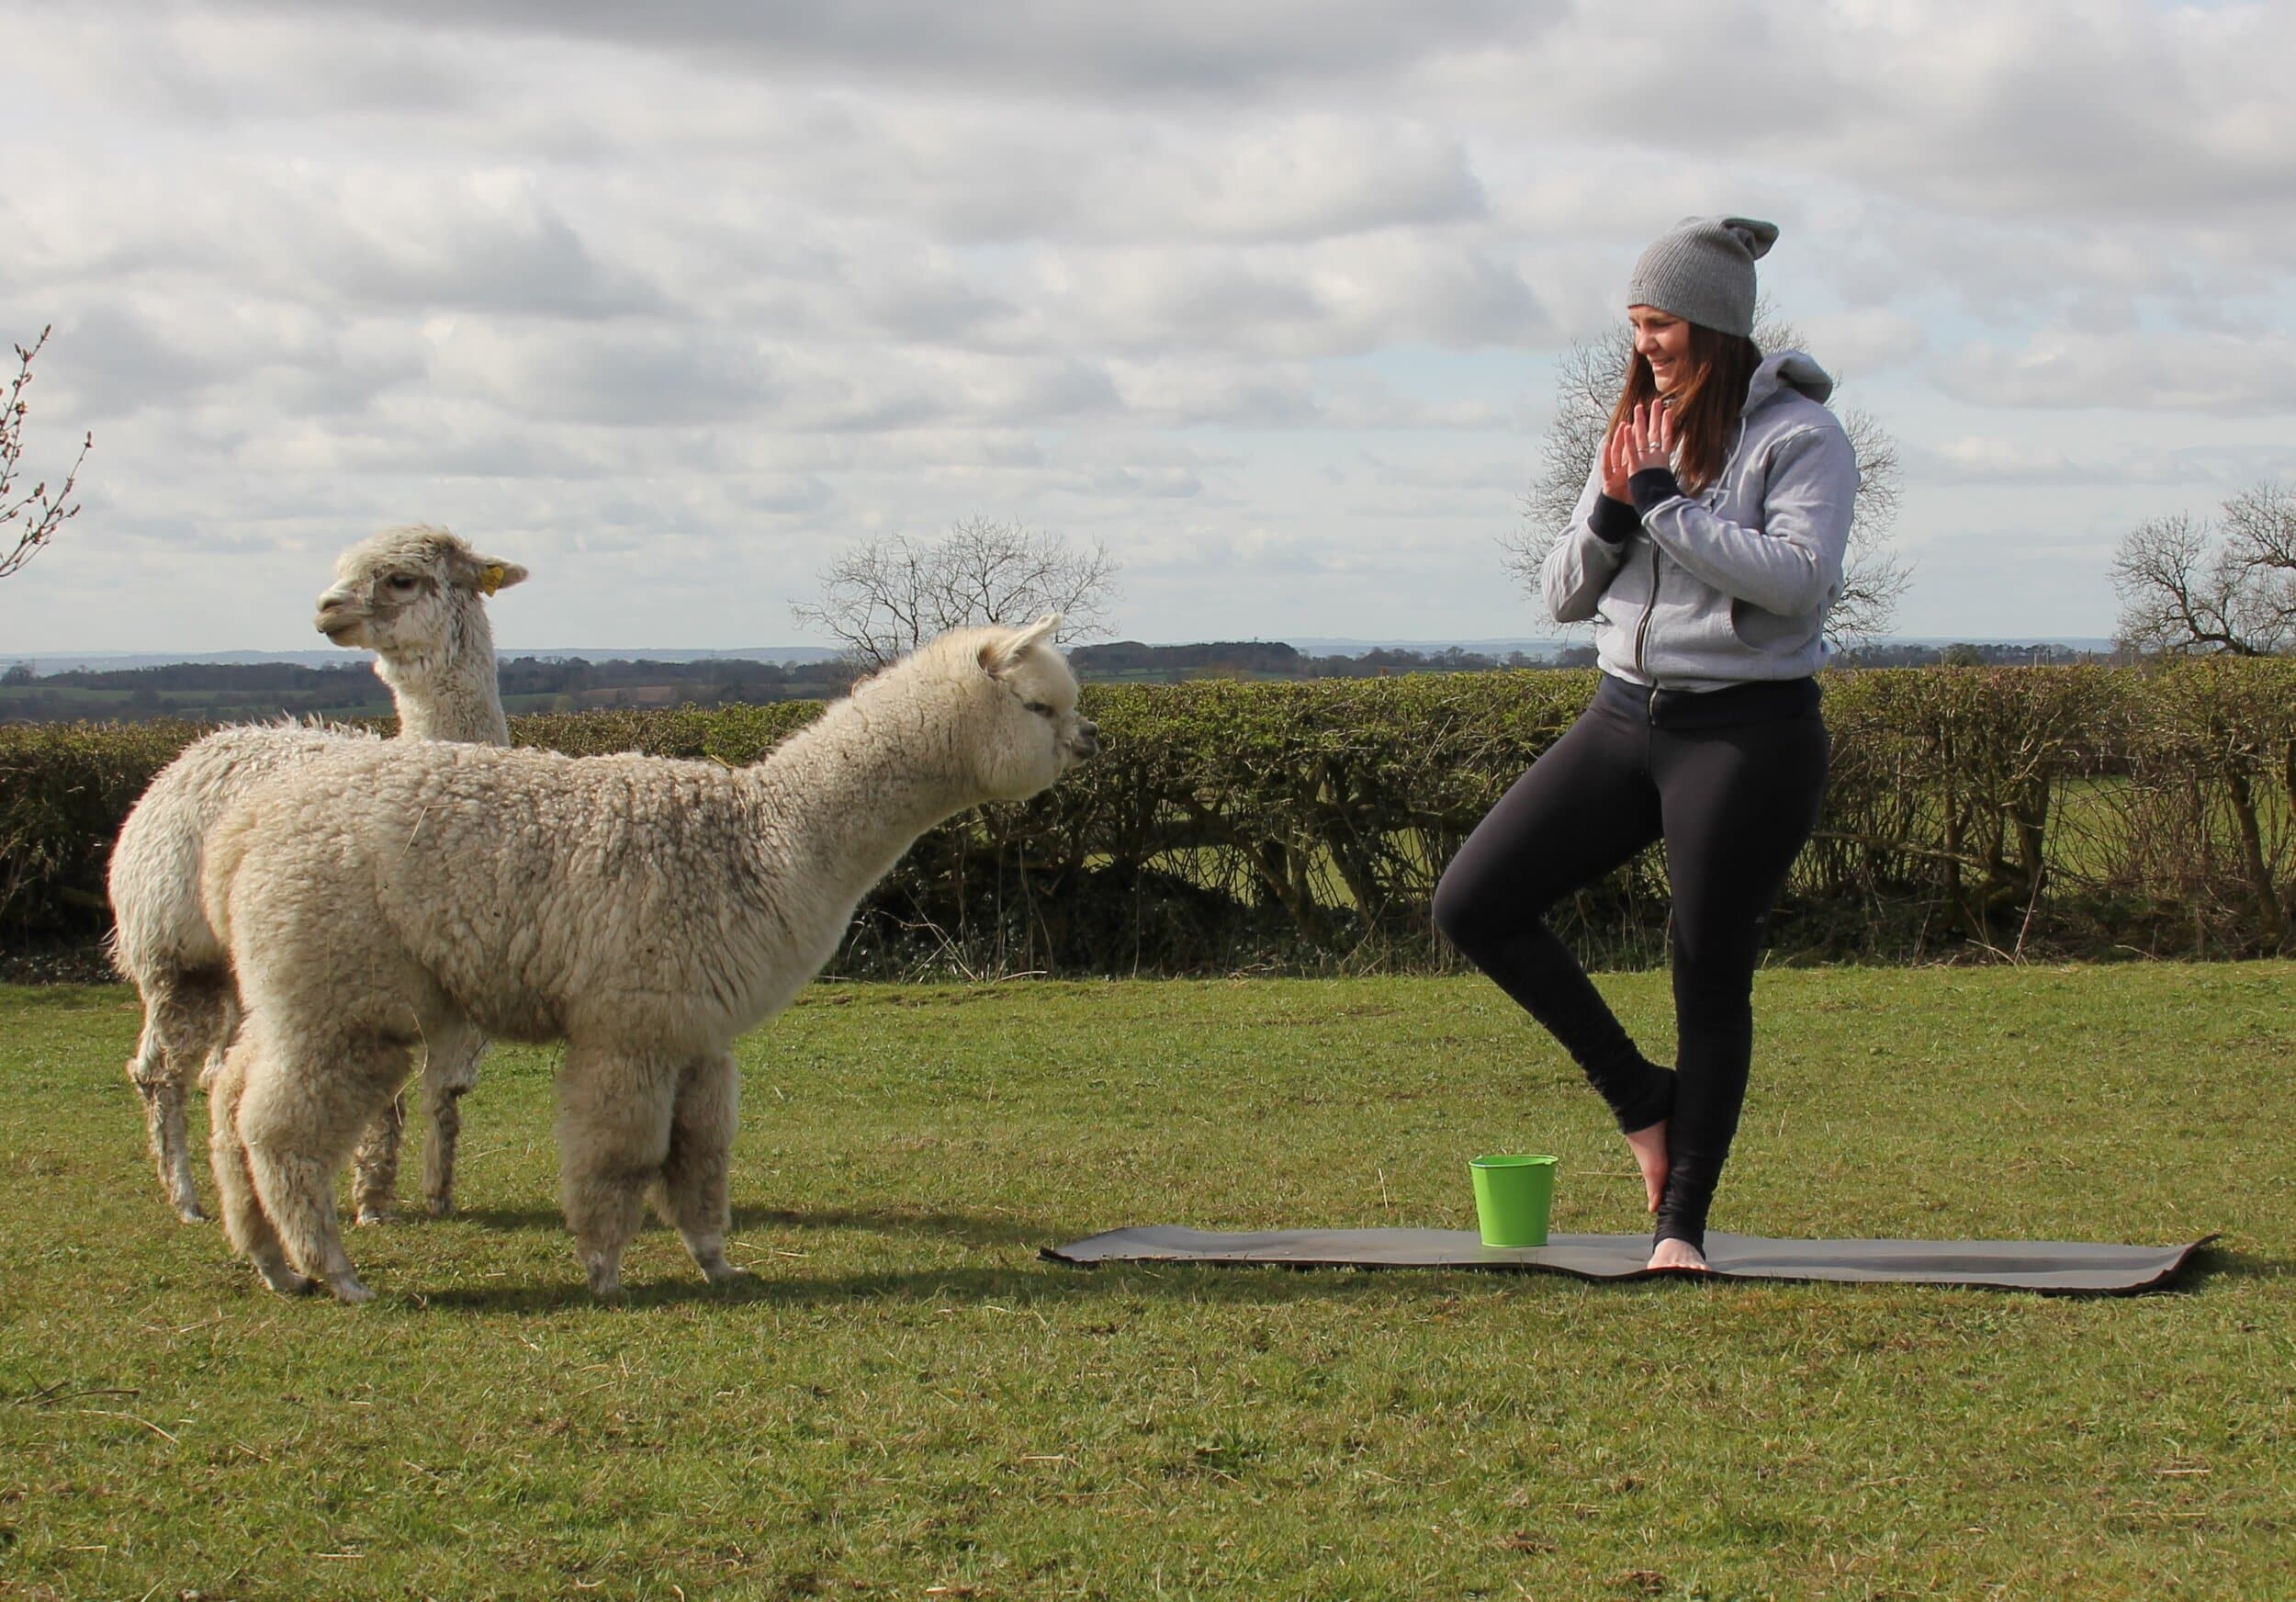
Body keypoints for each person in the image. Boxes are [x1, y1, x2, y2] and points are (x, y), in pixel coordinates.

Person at [1433, 215, 1855, 1272]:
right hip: (1624, 717)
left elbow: (1799, 580)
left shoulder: (1801, 437)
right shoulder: (1629, 427)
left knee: (1707, 968)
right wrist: (1617, 514)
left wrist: (1664, 506)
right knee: (1472, 902)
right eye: (1635, 325)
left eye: (1659, 324)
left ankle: (1682, 1227)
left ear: (1712, 326)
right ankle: (1638, 1095)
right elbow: (1562, 591)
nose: (1645, 346)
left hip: (1746, 732)